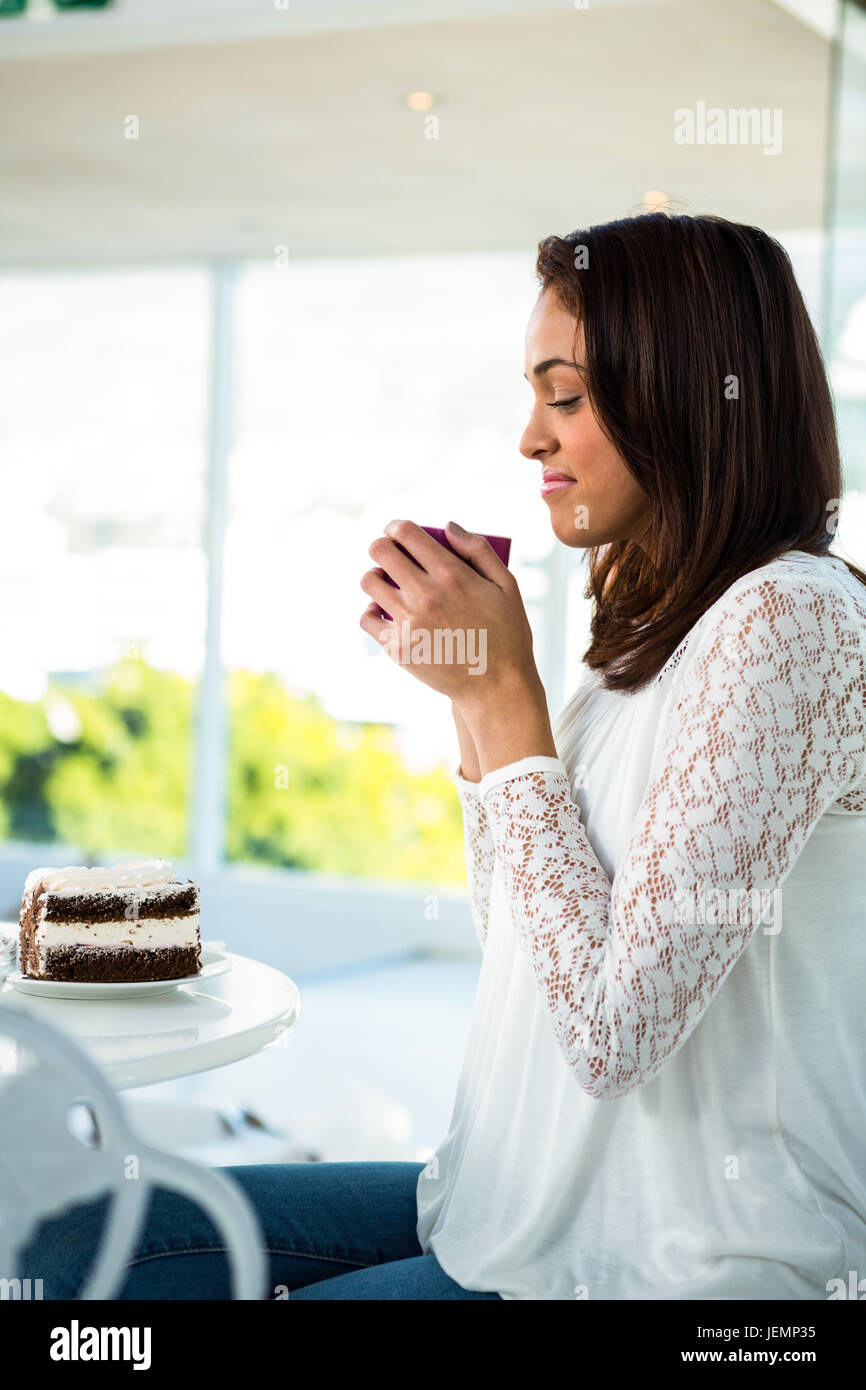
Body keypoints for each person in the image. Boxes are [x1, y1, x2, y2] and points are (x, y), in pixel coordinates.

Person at [29, 213, 866, 1299]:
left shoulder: (789, 620)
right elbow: (521, 944)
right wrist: (472, 709)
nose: (531, 436)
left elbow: (610, 1036)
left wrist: (503, 694)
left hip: (673, 1267)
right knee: (68, 1248)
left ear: (685, 397)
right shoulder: (649, 632)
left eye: (563, 395)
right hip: (505, 1203)